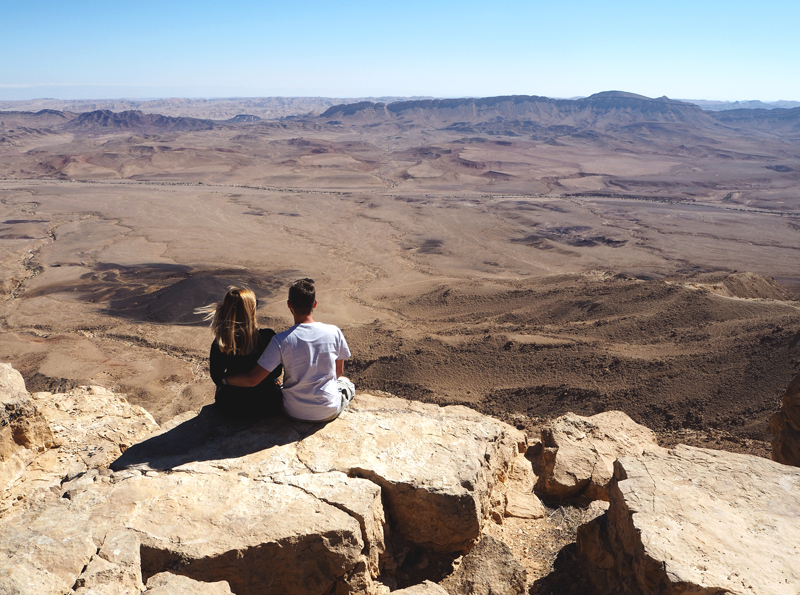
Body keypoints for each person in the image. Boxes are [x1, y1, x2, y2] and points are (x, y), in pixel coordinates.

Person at [224, 278, 355, 422]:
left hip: (293, 411)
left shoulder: (281, 340)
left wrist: (224, 380)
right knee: (345, 381)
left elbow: (253, 379)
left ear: (289, 305)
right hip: (327, 411)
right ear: (315, 304)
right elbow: (338, 372)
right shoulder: (334, 332)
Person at [196, 287, 283, 418]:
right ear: (250, 311)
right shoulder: (267, 337)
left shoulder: (221, 342)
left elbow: (216, 377)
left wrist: (226, 380)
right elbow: (276, 372)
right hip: (266, 403)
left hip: (231, 406)